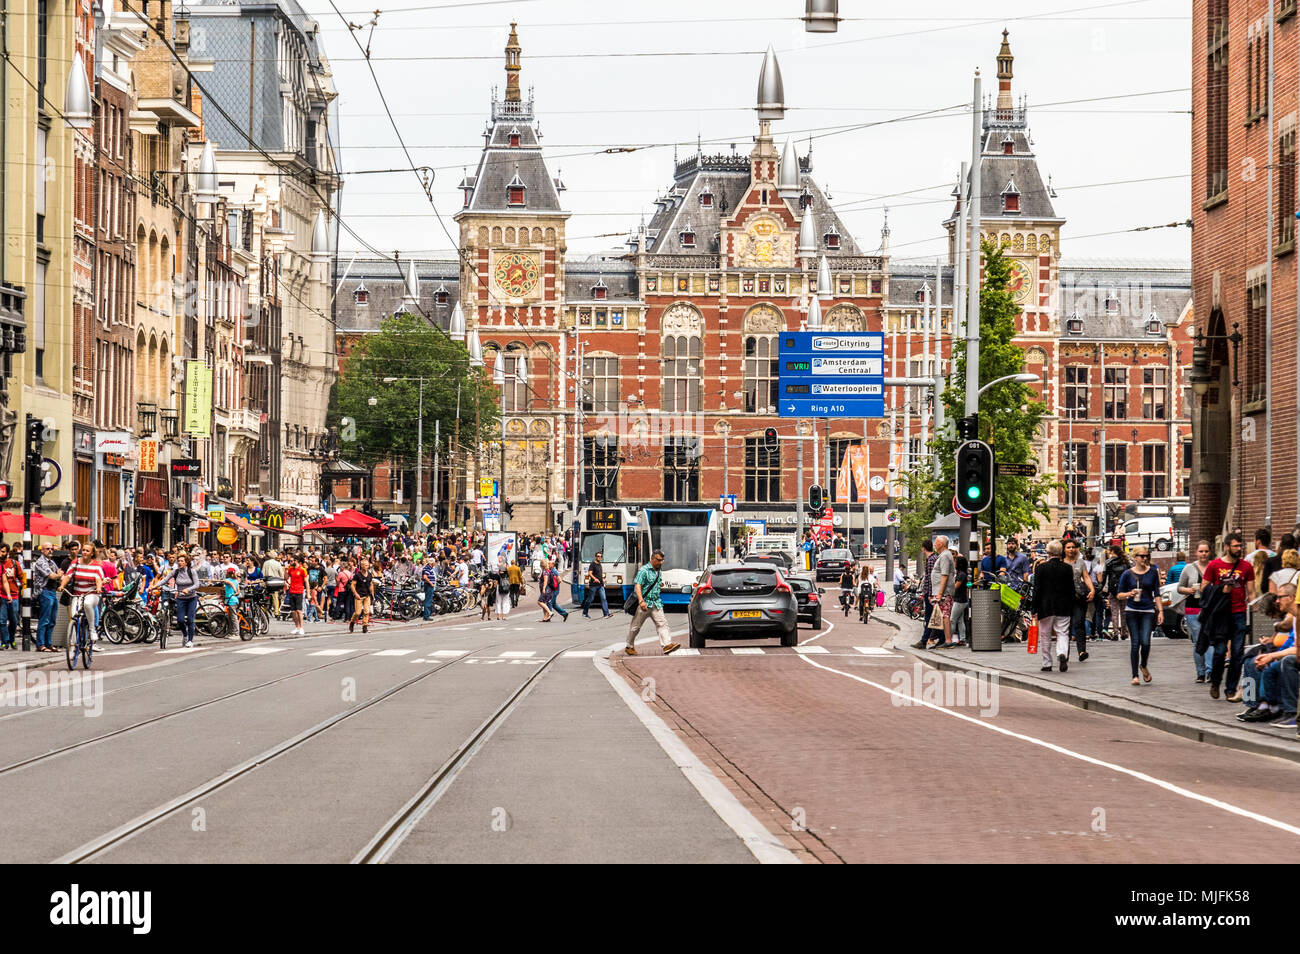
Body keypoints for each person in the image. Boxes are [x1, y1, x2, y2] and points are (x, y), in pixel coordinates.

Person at [1203, 531, 1256, 702]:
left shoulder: (1246, 566)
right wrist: (1221, 589)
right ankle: (1216, 682)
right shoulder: (1214, 566)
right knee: (1219, 652)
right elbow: (1204, 588)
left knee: (1237, 653)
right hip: (1220, 614)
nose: (1239, 549)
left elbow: (1252, 591)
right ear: (1227, 547)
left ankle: (1230, 688)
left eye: (1240, 546)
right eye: (1235, 546)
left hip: (1239, 613)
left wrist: (1255, 609)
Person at [1117, 547, 1164, 686]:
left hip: (1148, 610)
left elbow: (1157, 593)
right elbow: (1119, 594)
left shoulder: (1153, 573)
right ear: (1135, 557)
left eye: (1146, 556)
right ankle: (1135, 675)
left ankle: (1143, 665)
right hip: (1132, 610)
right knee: (1135, 643)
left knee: (1146, 642)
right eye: (1141, 556)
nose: (1144, 558)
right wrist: (1128, 594)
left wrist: (1160, 611)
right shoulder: (1127, 574)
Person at [1030, 540, 1076, 672]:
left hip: (1045, 606)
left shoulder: (1040, 568)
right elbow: (1071, 589)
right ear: (1061, 552)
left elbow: (1037, 589)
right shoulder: (1067, 568)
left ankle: (1047, 663)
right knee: (1062, 632)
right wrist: (1071, 605)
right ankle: (1061, 653)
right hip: (1064, 606)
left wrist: (1034, 607)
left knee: (1045, 635)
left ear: (1048, 552)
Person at [625, 549, 678, 656]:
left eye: (662, 560)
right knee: (636, 627)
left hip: (656, 603)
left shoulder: (658, 571)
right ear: (652, 559)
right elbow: (638, 586)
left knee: (662, 623)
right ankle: (629, 646)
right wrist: (641, 601)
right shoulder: (643, 570)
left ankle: (667, 645)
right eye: (659, 560)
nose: (661, 562)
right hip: (644, 604)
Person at [1178, 540, 1213, 683]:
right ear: (1196, 553)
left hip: (1210, 608)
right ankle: (1200, 672)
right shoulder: (1188, 568)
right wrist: (1189, 590)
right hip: (1193, 609)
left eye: (1206, 551)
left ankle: (1210, 671)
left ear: (1209, 552)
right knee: (1198, 640)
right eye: (1201, 551)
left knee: (1210, 639)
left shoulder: (1214, 566)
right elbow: (1179, 587)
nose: (1203, 554)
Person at [58, 547, 106, 646]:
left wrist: (98, 588)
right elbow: (68, 576)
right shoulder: (75, 563)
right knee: (73, 615)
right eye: (83, 550)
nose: (84, 552)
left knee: (88, 604)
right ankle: (73, 643)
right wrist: (62, 585)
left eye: (87, 551)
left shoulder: (96, 565)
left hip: (91, 593)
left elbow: (98, 579)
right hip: (78, 594)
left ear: (92, 553)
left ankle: (92, 630)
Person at [153, 552, 200, 647]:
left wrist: (188, 589)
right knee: (180, 620)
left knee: (190, 620)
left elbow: (197, 584)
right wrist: (154, 586)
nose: (180, 562)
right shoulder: (176, 571)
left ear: (186, 562)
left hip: (191, 598)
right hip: (181, 598)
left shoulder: (192, 571)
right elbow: (164, 580)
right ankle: (185, 635)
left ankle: (190, 640)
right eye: (178, 561)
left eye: (182, 561)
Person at [1063, 536, 1095, 662]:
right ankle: (1064, 653)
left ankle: (1082, 651)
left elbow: (1086, 577)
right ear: (1064, 549)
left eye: (1073, 547)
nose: (1071, 550)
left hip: (1078, 597)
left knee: (1079, 622)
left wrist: (1092, 589)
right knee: (1066, 626)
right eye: (1068, 547)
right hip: (1064, 598)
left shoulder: (1080, 562)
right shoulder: (1061, 562)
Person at [31, 542, 63, 653]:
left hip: (53, 592)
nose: (50, 551)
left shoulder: (51, 562)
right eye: (47, 549)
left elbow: (58, 573)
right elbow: (53, 575)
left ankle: (49, 644)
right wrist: (58, 575)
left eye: (51, 549)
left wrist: (58, 574)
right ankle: (40, 644)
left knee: (52, 620)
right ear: (42, 550)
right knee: (44, 619)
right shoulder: (40, 562)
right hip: (44, 591)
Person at [926, 535, 956, 649]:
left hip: (944, 592)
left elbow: (944, 575)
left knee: (944, 615)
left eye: (936, 542)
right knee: (943, 615)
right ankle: (945, 639)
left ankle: (948, 640)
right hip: (942, 591)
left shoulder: (944, 556)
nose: (934, 544)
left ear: (941, 544)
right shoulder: (944, 555)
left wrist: (939, 593)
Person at [1102, 545, 1131, 641]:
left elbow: (1104, 577)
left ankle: (1115, 632)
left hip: (1113, 589)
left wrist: (1103, 589)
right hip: (1124, 589)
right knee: (1124, 612)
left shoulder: (1108, 562)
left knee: (1114, 612)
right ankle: (1124, 632)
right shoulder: (1125, 562)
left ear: (1113, 552)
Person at [581, 551, 611, 619]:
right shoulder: (593, 564)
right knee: (590, 599)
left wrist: (603, 579)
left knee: (603, 598)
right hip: (593, 585)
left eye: (600, 556)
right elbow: (590, 573)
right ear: (595, 557)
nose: (599, 557)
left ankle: (606, 614)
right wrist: (595, 578)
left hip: (600, 585)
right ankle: (585, 613)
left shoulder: (600, 564)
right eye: (598, 556)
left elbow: (599, 574)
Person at [350, 558, 375, 633]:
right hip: (359, 595)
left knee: (367, 611)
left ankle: (365, 626)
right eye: (365, 565)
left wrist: (372, 595)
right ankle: (352, 622)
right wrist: (355, 594)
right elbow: (352, 585)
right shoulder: (357, 575)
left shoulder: (370, 574)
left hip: (367, 595)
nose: (367, 566)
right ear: (362, 565)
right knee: (358, 612)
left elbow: (371, 585)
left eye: (368, 565)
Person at [949, 556, 969, 644]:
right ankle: (962, 639)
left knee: (952, 619)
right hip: (962, 599)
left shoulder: (961, 575)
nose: (954, 563)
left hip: (959, 600)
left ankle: (949, 638)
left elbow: (955, 587)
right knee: (960, 620)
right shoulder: (962, 573)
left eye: (955, 561)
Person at [262, 550, 285, 616]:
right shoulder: (277, 563)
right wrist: (282, 580)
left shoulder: (266, 563)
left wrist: (262, 582)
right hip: (275, 582)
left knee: (266, 596)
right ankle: (276, 612)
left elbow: (263, 573)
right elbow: (281, 574)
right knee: (275, 597)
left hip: (267, 581)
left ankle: (264, 610)